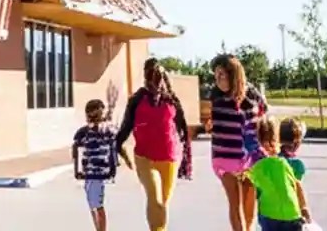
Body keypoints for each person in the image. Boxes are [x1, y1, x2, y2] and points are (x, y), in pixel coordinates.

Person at [116, 58, 193, 231]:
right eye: (151, 75)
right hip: (145, 158)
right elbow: (123, 131)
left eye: (158, 76)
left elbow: (183, 129)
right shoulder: (137, 100)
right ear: (146, 77)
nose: (154, 81)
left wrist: (186, 156)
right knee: (155, 198)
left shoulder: (171, 100)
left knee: (162, 204)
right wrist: (124, 155)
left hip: (169, 159)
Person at [210, 53, 269, 231]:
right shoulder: (215, 95)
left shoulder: (251, 96)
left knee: (249, 204)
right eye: (216, 75)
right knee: (234, 204)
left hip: (249, 159)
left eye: (221, 74)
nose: (217, 79)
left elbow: (264, 110)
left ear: (233, 75)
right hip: (224, 158)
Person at [73, 98, 131, 231]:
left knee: (97, 205)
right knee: (93, 203)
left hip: (98, 173)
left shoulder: (108, 131)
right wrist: (78, 170)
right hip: (89, 173)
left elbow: (118, 147)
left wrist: (127, 161)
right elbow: (76, 151)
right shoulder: (83, 133)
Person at [246, 116, 312, 230]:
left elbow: (253, 193)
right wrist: (304, 207)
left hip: (269, 214)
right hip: (291, 212)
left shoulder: (257, 168)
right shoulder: (288, 164)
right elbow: (297, 185)